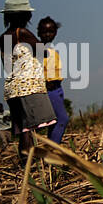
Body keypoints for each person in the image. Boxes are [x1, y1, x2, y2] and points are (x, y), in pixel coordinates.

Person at [0, 0, 56, 160]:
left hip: (12, 88)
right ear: (26, 16)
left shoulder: (3, 37)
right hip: (28, 87)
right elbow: (41, 51)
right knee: (30, 128)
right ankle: (29, 164)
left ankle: (27, 164)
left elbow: (7, 65)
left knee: (24, 128)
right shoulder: (22, 33)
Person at [36, 16, 68, 144]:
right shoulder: (38, 49)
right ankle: (52, 150)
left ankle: (51, 150)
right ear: (38, 32)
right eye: (44, 31)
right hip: (49, 90)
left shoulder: (51, 50)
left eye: (51, 31)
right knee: (62, 119)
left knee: (56, 122)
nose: (48, 34)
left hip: (57, 89)